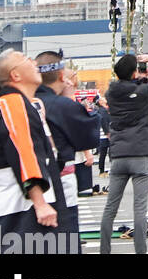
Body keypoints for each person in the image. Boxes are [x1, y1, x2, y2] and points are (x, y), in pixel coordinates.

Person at [0, 50, 61, 254]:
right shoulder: (13, 102)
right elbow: (23, 150)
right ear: (16, 75)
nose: (32, 62)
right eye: (25, 59)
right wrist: (40, 202)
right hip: (16, 207)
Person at [98, 51, 148, 255]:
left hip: (119, 156)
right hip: (141, 155)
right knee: (139, 210)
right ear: (134, 73)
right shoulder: (146, 93)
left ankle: (104, 250)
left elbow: (127, 89)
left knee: (110, 209)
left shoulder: (111, 93)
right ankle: (141, 251)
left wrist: (137, 80)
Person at [34, 52, 101, 253]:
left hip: (30, 181)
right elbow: (89, 138)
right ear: (62, 76)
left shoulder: (26, 101)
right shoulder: (62, 104)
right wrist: (69, 98)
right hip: (60, 177)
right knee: (65, 236)